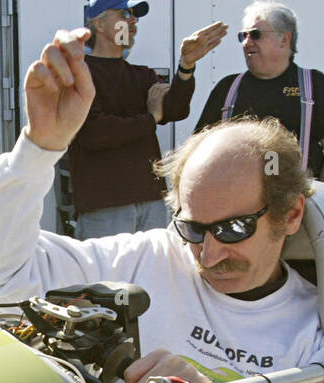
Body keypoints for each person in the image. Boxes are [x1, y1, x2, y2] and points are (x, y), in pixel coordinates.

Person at [0, 28, 324, 383]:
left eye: (235, 228)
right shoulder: (147, 259)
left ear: (290, 215)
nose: (211, 255)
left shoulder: (323, 332)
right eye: (194, 229)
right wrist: (39, 147)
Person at [69, 2, 228, 239]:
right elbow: (94, 133)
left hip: (151, 199)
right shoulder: (78, 73)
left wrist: (186, 66)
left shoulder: (141, 75)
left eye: (135, 16)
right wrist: (151, 118)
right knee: (106, 276)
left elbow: (175, 110)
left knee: (150, 275)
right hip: (105, 203)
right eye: (124, 14)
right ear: (98, 23)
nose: (133, 22)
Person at [193, 3, 324, 184]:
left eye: (255, 35)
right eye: (243, 36)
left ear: (284, 39)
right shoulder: (228, 87)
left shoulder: (313, 85)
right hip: (237, 201)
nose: (247, 42)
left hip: (297, 200)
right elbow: (199, 149)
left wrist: (321, 201)